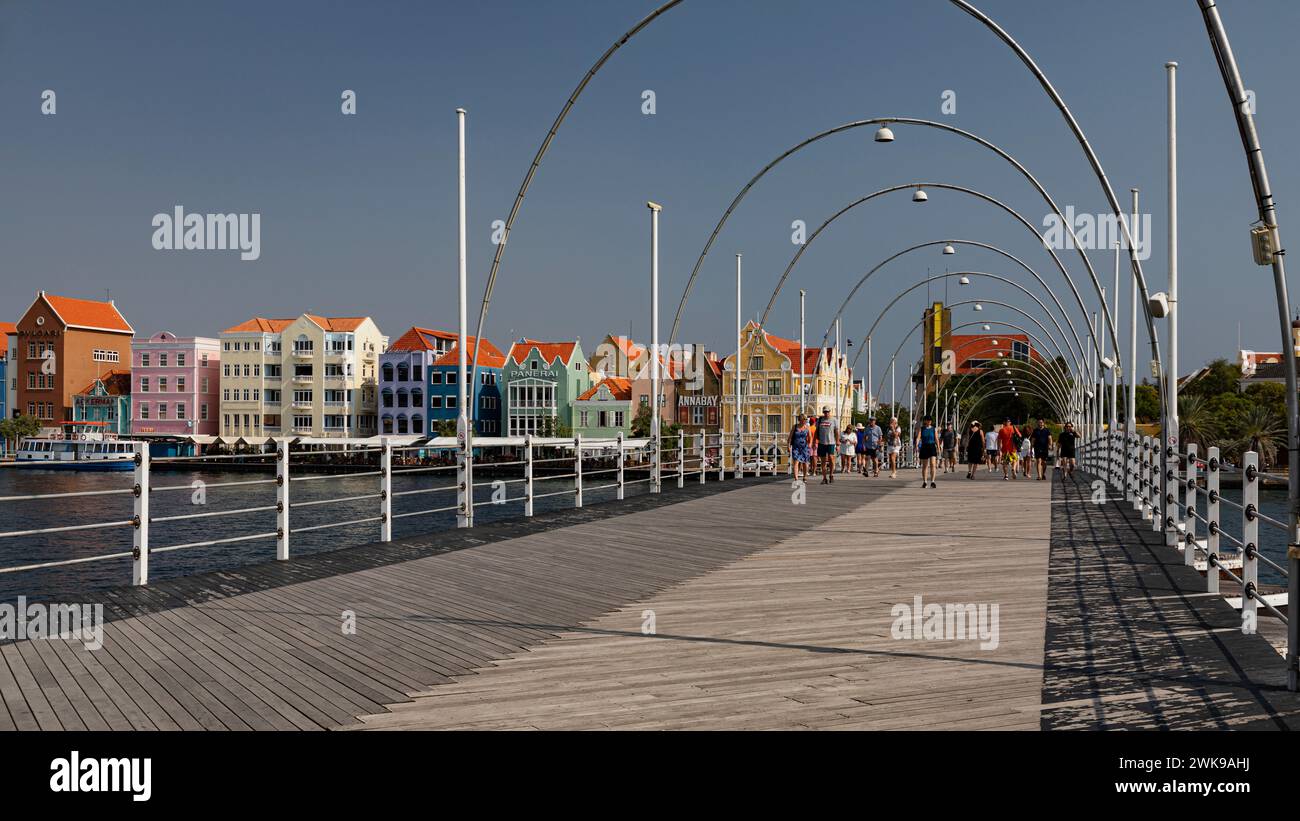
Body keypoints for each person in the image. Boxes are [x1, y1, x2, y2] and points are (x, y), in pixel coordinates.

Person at [815, 407, 839, 484]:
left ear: (830, 412)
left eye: (827, 412)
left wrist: (837, 442)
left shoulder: (834, 420)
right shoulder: (820, 420)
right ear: (823, 412)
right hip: (822, 443)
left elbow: (836, 432)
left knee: (831, 458)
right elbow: (816, 431)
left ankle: (831, 474)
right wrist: (814, 442)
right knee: (823, 461)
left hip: (831, 442)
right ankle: (824, 478)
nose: (826, 413)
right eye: (825, 412)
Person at [915, 415, 938, 488]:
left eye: (930, 420)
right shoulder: (922, 429)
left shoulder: (934, 429)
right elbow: (918, 437)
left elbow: (936, 438)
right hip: (924, 446)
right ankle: (925, 481)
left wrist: (938, 447)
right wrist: (916, 444)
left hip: (932, 446)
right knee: (925, 466)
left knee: (933, 464)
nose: (929, 421)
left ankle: (932, 481)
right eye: (927, 420)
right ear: (925, 421)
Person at [789, 417, 811, 483]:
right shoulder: (795, 427)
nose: (804, 421)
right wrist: (788, 445)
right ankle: (796, 479)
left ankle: (804, 477)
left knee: (805, 462)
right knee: (796, 462)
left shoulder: (807, 427)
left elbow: (810, 437)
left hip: (804, 447)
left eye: (805, 420)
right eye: (802, 419)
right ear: (799, 420)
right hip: (796, 447)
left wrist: (809, 444)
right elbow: (790, 437)